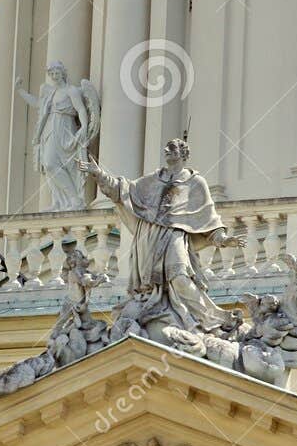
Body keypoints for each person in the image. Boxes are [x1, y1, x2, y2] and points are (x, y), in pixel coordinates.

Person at [80, 137, 243, 339]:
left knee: (181, 276)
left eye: (172, 148)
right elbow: (122, 191)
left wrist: (223, 239)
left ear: (183, 154)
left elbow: (208, 217)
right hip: (148, 236)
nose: (166, 150)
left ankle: (210, 319)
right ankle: (156, 310)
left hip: (175, 234)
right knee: (150, 287)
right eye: (166, 148)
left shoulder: (195, 183)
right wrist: (99, 174)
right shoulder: (153, 180)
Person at [17, 63, 97, 211]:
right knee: (49, 165)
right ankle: (59, 202)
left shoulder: (71, 91)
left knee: (60, 164)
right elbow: (37, 104)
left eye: (56, 73)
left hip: (65, 129)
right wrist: (20, 91)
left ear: (63, 73)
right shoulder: (51, 94)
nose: (54, 76)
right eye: (51, 74)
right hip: (50, 130)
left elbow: (80, 109)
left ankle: (75, 199)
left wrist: (85, 126)